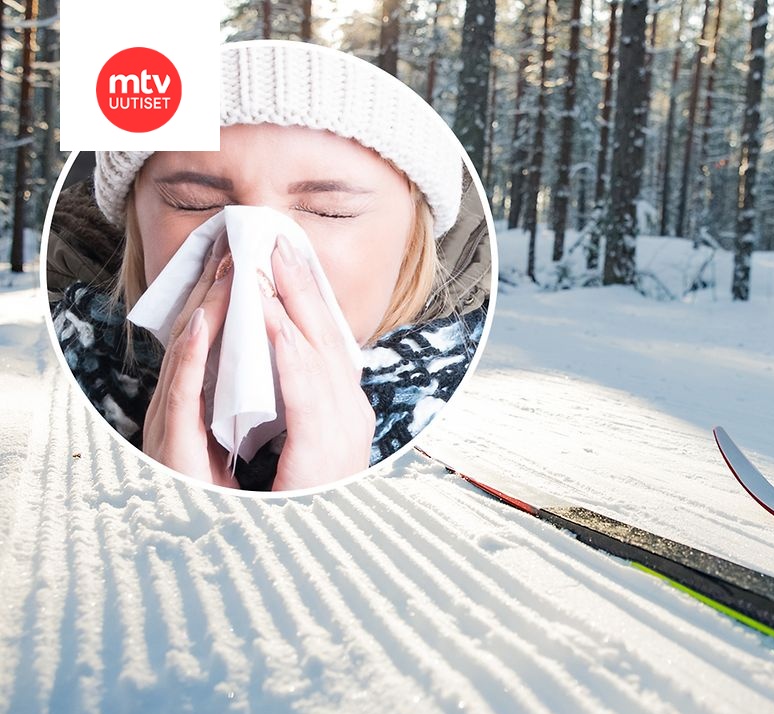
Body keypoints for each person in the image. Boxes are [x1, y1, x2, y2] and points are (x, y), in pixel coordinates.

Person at [48, 41, 492, 492]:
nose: (248, 258)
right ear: (136, 224)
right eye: (194, 203)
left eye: (329, 209)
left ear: (411, 238)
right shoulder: (55, 393)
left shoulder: (474, 430)